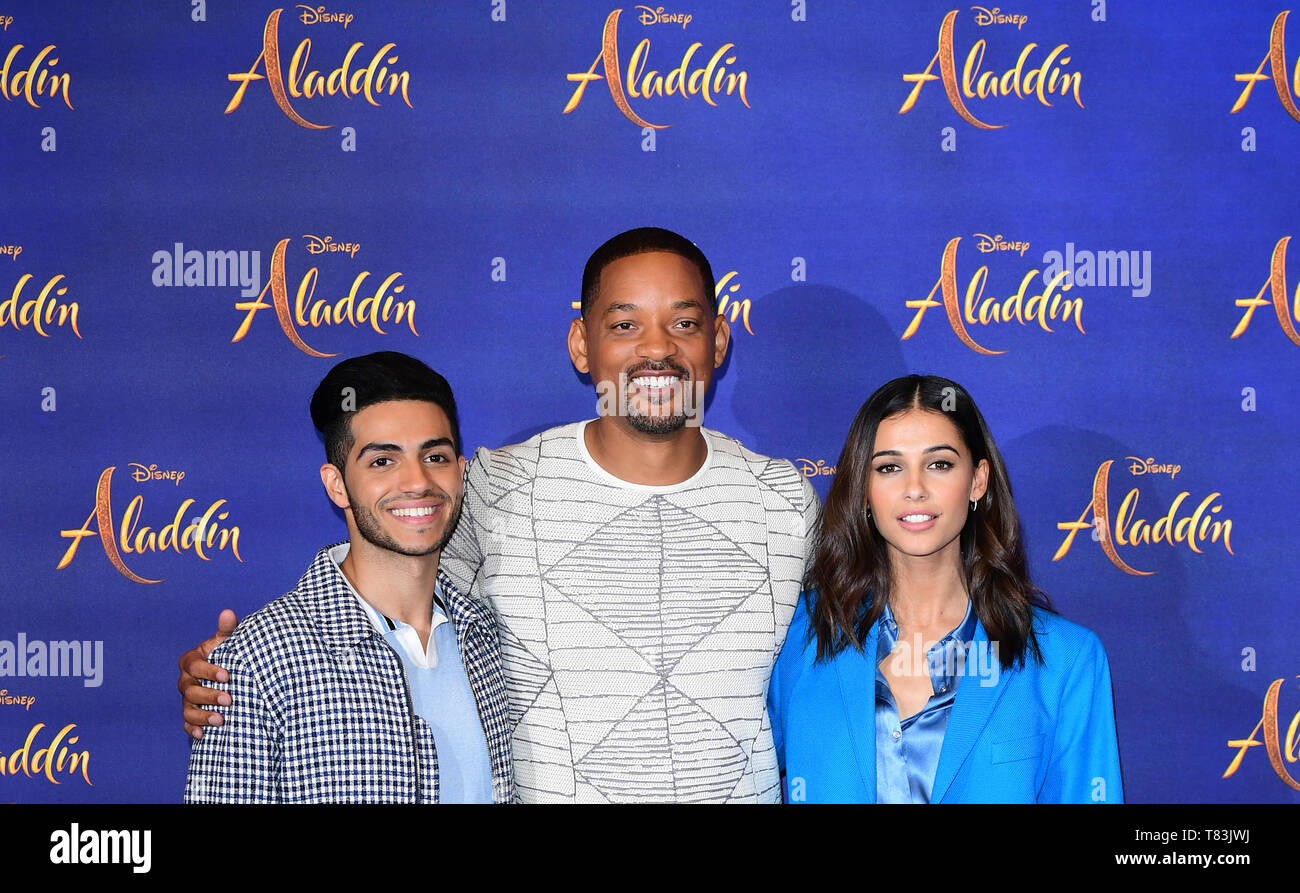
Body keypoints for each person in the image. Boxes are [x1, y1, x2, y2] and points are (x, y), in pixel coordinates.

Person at [180, 227, 821, 803]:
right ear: (581, 345)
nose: (656, 349)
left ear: (717, 340)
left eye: (683, 323)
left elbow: (856, 661)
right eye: (625, 324)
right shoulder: (492, 486)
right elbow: (384, 600)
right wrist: (242, 672)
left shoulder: (784, 501)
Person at [768, 375, 1123, 803]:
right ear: (864, 490)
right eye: (889, 467)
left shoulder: (1065, 660)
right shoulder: (798, 637)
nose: (914, 488)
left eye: (939, 464)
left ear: (977, 480)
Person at [184, 352, 513, 803]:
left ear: (459, 471)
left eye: (434, 456)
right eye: (382, 461)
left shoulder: (492, 639)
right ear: (337, 484)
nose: (417, 481)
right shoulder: (259, 662)